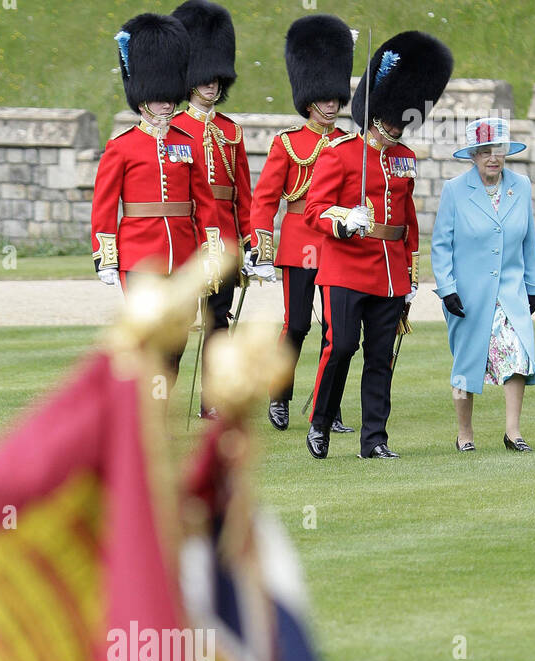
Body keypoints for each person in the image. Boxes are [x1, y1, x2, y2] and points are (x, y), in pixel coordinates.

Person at [304, 31, 453, 459]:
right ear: (373, 114)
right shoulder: (339, 153)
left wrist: (409, 274)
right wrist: (345, 221)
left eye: (399, 122)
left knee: (381, 357)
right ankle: (320, 423)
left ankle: (375, 440)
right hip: (346, 267)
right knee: (342, 346)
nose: (393, 128)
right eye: (387, 121)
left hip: (389, 271)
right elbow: (315, 209)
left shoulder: (404, 157)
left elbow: (407, 221)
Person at [90, 13, 223, 388]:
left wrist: (210, 253)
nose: (167, 106)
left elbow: (205, 203)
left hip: (181, 254)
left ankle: (160, 407)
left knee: (177, 339)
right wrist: (106, 257)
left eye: (170, 99)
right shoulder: (121, 147)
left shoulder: (187, 143)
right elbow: (104, 206)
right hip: (138, 255)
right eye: (159, 100)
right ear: (142, 100)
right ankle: (139, 413)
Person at [247, 14, 356, 435]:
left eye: (335, 98)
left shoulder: (350, 143)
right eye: (324, 98)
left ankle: (329, 408)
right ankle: (280, 393)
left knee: (337, 330)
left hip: (338, 244)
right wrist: (263, 241)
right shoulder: (288, 143)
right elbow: (266, 198)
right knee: (297, 325)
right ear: (309, 99)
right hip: (298, 242)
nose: (331, 104)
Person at [431, 117, 535, 452]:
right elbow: (440, 244)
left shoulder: (521, 185)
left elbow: (529, 240)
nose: (492, 157)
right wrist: (447, 289)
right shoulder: (455, 190)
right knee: (467, 365)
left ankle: (513, 432)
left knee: (518, 355)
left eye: (498, 150)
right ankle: (464, 433)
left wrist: (533, 286)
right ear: (473, 155)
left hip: (510, 291)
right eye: (484, 151)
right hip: (468, 295)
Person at [173, 1, 252, 417]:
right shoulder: (173, 128)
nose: (213, 85)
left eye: (218, 78)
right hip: (188, 238)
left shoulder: (230, 131)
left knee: (219, 325)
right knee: (178, 329)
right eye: (206, 78)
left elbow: (243, 194)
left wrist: (252, 239)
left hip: (225, 241)